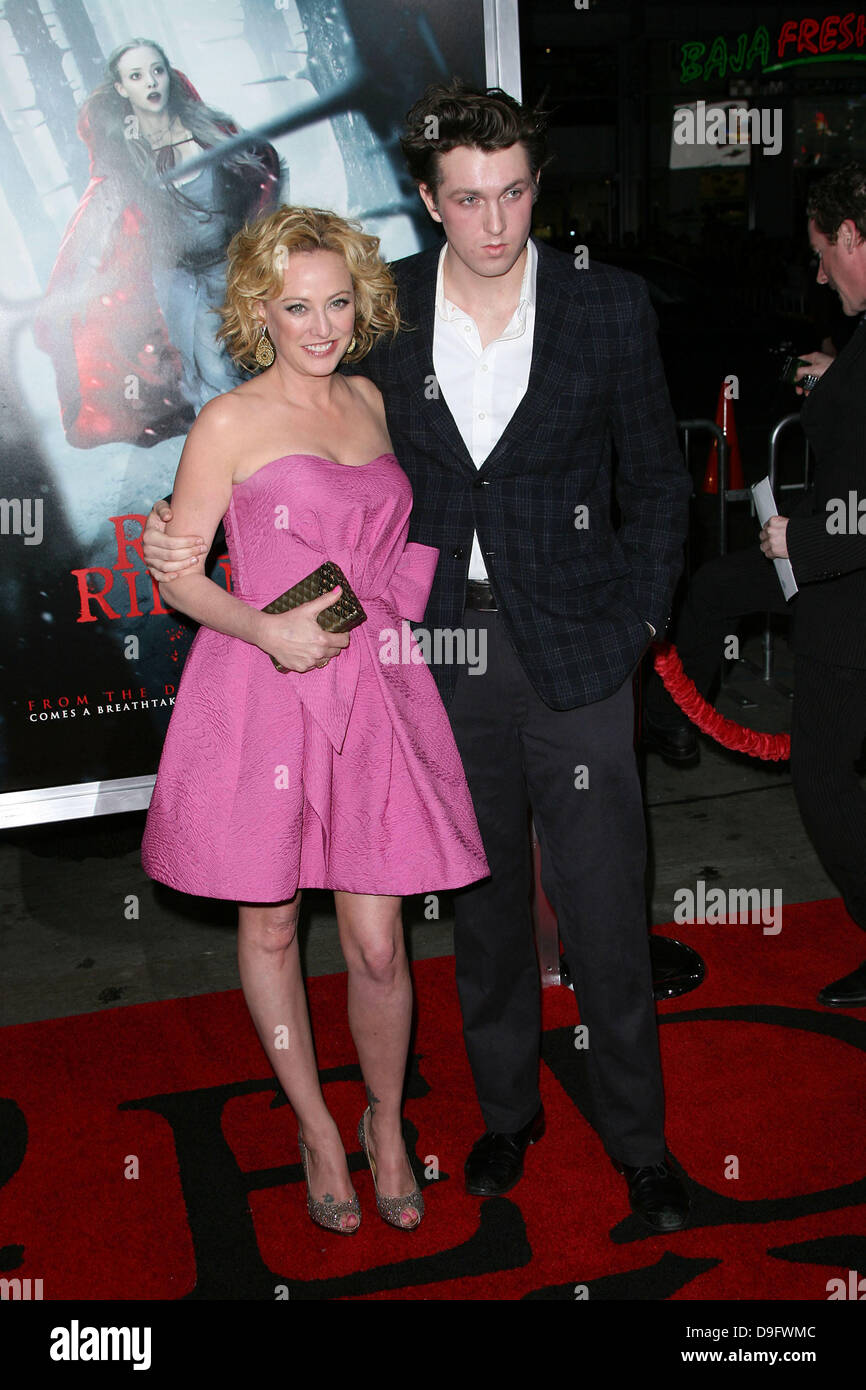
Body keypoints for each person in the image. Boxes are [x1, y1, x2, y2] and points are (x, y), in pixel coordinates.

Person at [144, 82, 693, 1232]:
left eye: (513, 193)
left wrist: (638, 627)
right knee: (478, 904)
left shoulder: (604, 305)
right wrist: (187, 547)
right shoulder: (388, 325)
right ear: (431, 202)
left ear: (535, 189)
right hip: (433, 655)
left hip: (577, 648)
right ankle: (503, 1116)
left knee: (601, 903)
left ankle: (640, 1144)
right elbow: (272, 463)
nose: (494, 221)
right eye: (468, 198)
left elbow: (655, 481)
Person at [140, 205, 489, 1234]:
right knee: (274, 919)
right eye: (297, 307)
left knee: (378, 941)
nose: (322, 326)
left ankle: (385, 1119)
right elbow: (178, 577)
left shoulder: (370, 401)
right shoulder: (228, 422)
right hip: (263, 685)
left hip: (374, 684)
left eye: (338, 303)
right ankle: (315, 1128)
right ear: (260, 311)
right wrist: (266, 627)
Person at [644, 160, 866, 1009]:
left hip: (844, 583)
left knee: (822, 777)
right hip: (832, 571)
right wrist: (834, 373)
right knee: (715, 590)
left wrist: (799, 538)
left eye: (821, 253)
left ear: (852, 235)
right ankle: (670, 723)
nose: (819, 276)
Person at [34, 37, 280, 448]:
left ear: (169, 75)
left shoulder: (209, 131)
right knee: (206, 371)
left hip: (229, 265)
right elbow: (92, 228)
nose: (150, 82)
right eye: (136, 76)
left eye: (156, 70)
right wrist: (68, 298)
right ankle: (242, 452)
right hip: (177, 278)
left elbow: (262, 171)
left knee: (258, 353)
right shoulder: (124, 159)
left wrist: (264, 242)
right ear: (121, 88)